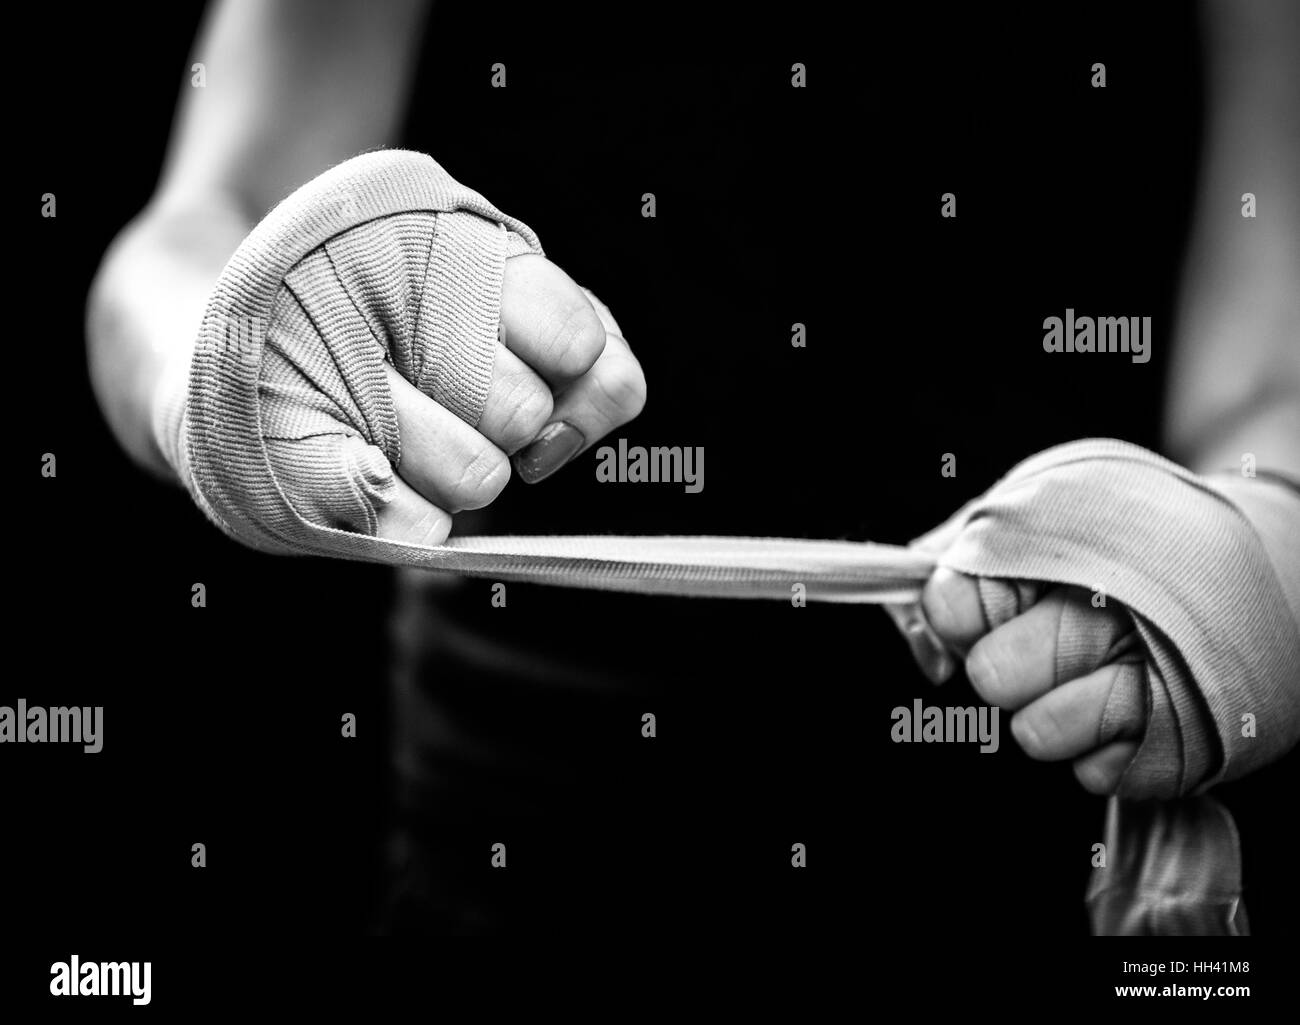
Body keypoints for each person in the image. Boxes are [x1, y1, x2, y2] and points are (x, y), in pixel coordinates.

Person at [87, 0, 1298, 935]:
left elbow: (1271, 376)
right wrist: (222, 359)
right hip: (519, 835)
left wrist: (1256, 549)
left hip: (1044, 816)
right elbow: (197, 222)